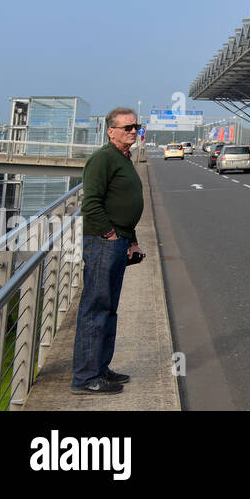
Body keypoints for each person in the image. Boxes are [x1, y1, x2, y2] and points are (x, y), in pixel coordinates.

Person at [72, 107, 146, 394]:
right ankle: (85, 378)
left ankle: (101, 368)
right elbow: (90, 202)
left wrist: (131, 239)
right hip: (103, 244)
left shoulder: (124, 159)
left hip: (118, 242)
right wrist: (111, 234)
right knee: (95, 309)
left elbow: (124, 205)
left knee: (109, 309)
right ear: (111, 131)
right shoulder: (102, 158)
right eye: (126, 127)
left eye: (135, 126)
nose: (133, 131)